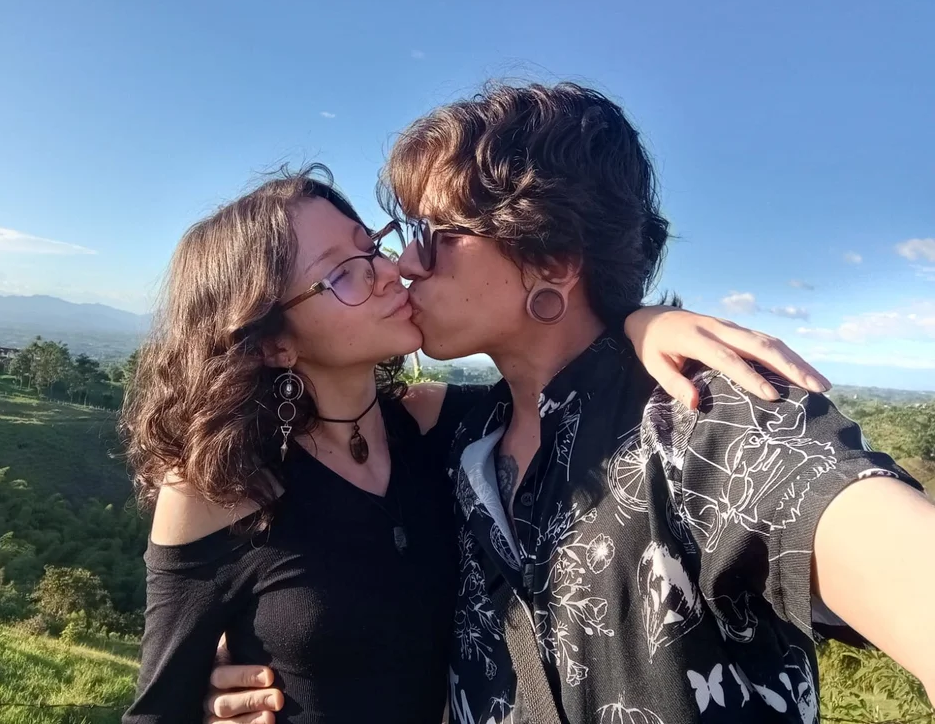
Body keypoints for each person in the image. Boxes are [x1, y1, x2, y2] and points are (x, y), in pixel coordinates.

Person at [207, 83, 934, 724]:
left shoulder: (703, 420)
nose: (405, 263)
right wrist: (255, 668)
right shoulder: (457, 442)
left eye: (437, 235)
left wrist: (638, 323)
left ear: (552, 260)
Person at [120, 160, 825, 724]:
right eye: (341, 274)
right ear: (272, 341)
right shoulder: (221, 484)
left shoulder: (443, 429)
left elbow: (561, 384)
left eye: (369, 247)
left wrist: (639, 325)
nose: (390, 271)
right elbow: (157, 706)